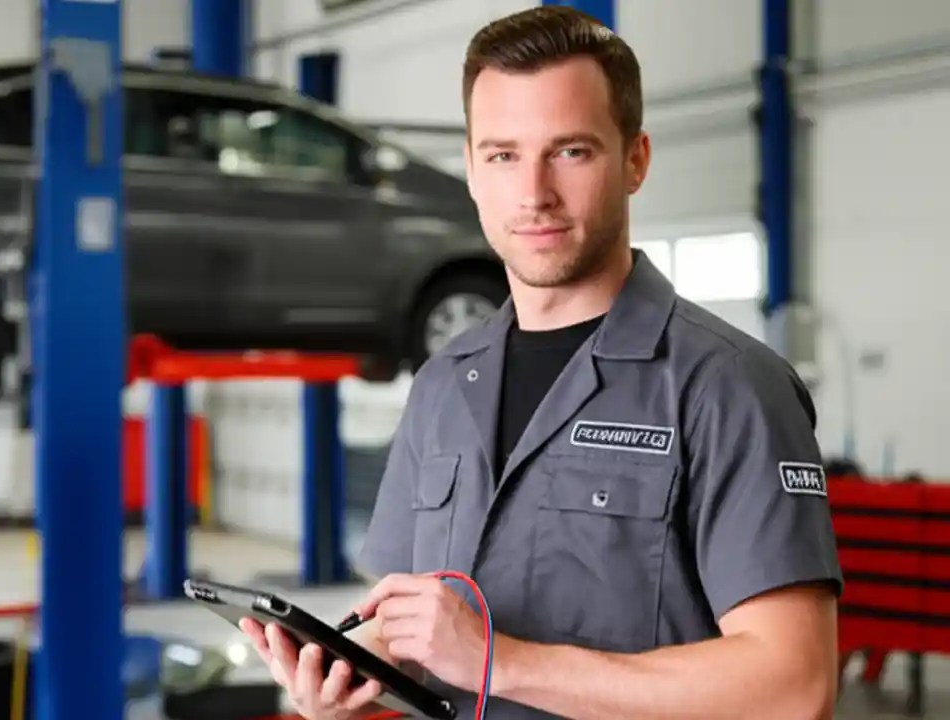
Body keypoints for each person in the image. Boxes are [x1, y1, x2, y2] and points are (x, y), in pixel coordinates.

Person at [239, 6, 843, 719]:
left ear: (636, 159)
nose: (533, 193)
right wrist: (344, 674)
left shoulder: (729, 388)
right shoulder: (442, 384)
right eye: (502, 155)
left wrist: (499, 660)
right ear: (470, 168)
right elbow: (412, 629)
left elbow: (792, 686)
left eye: (570, 152)